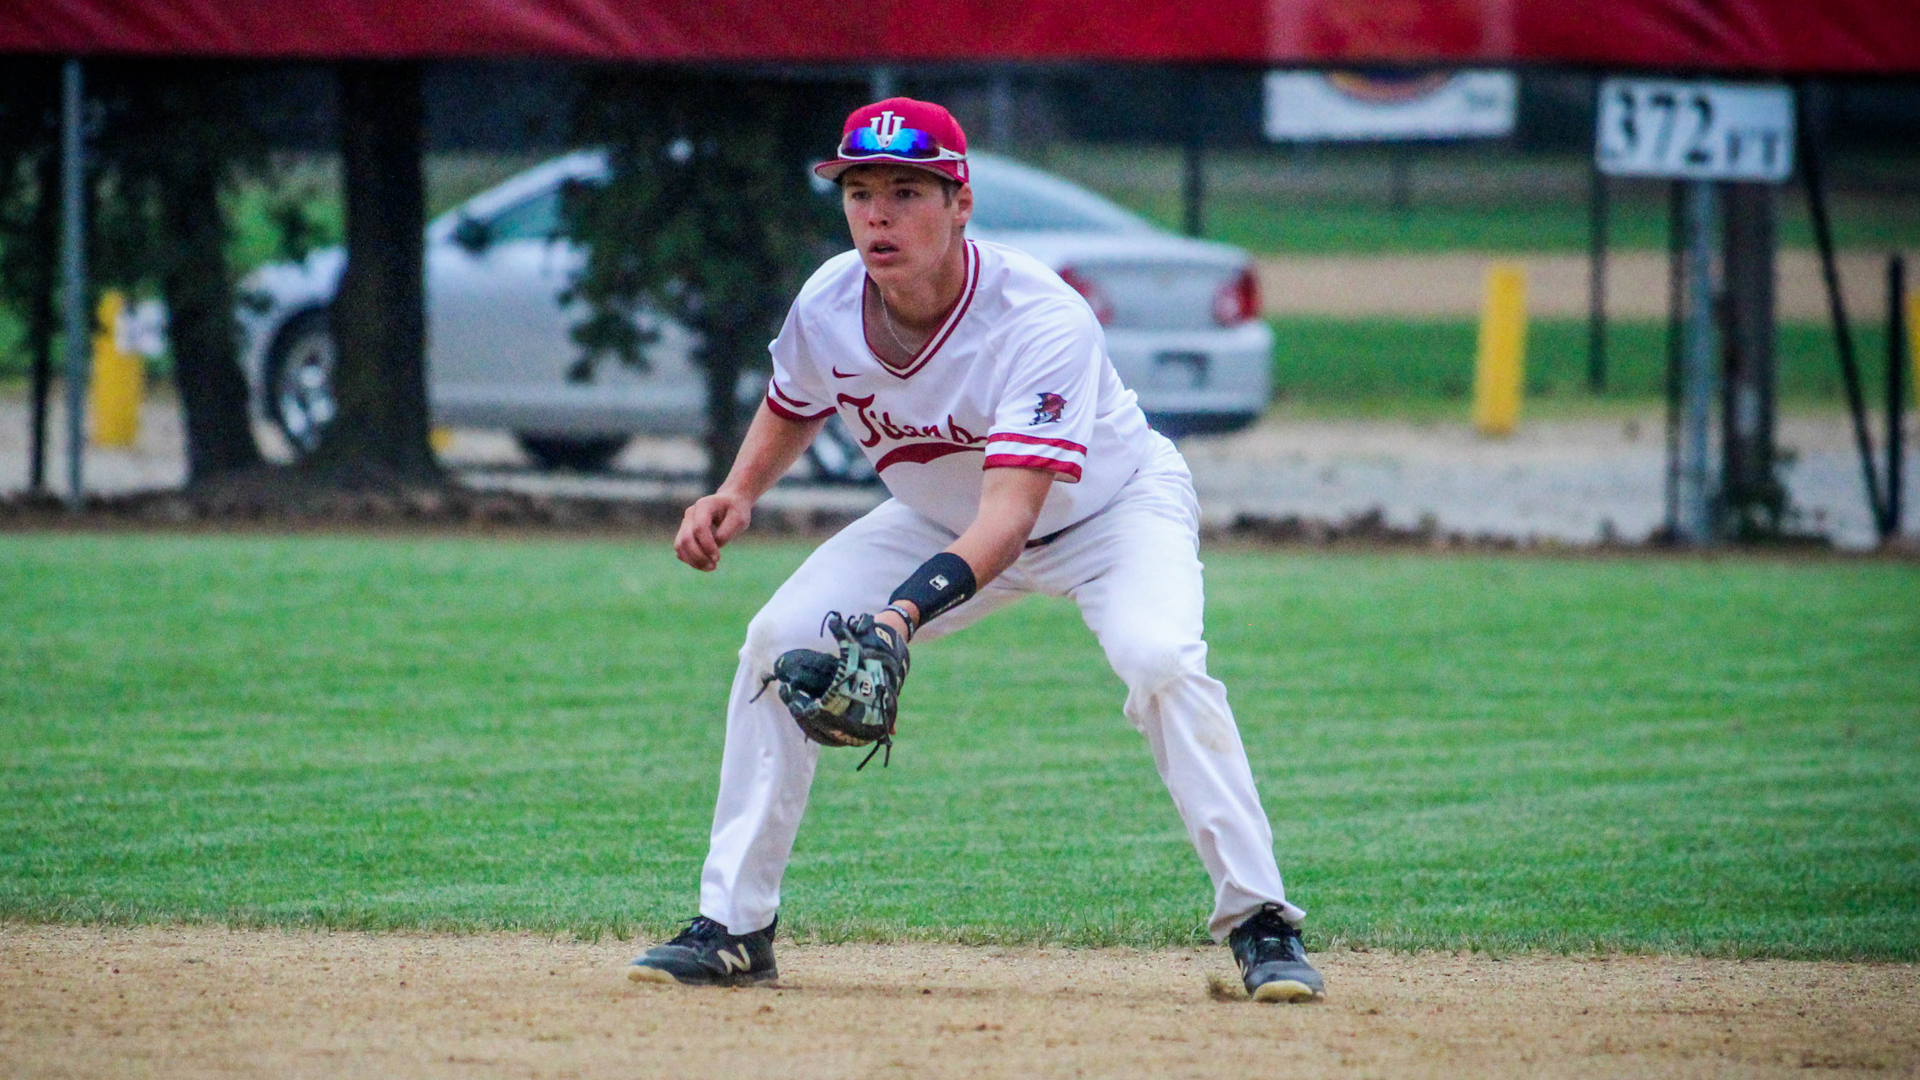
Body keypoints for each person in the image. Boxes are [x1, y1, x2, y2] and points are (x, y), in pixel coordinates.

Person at [628, 97, 1322, 1003]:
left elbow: (1010, 519)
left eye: (907, 192)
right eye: (860, 192)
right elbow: (794, 398)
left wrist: (898, 618)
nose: (878, 215)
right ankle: (734, 926)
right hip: (937, 519)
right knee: (773, 641)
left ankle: (1262, 920)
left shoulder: (1039, 318)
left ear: (961, 203)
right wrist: (739, 490)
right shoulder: (830, 300)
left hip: (1111, 512)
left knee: (1160, 660)